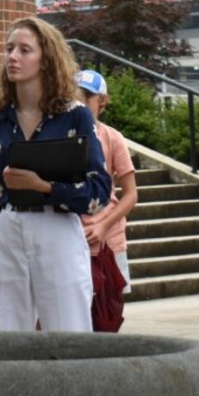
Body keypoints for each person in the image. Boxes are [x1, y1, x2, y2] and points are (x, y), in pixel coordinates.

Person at [0, 17, 111, 332]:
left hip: (57, 226)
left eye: (24, 50)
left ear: (46, 59)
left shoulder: (75, 116)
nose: (13, 57)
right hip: (8, 229)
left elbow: (99, 191)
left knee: (69, 332)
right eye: (9, 49)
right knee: (9, 334)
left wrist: (46, 187)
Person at [75, 70, 138, 297]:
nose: (80, 103)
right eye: (75, 97)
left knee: (110, 308)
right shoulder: (62, 136)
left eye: (86, 98)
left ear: (102, 101)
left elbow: (131, 194)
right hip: (73, 238)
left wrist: (103, 226)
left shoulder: (112, 137)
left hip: (109, 239)